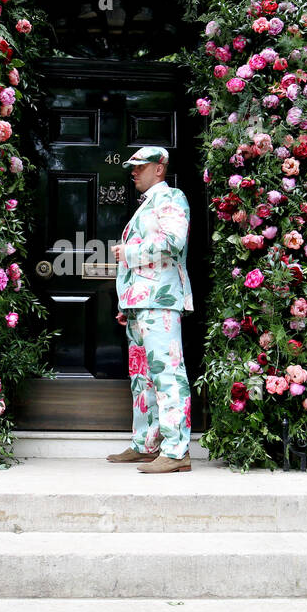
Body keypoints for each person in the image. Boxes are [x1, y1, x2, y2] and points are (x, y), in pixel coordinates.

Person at [106, 146, 194, 473]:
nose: (133, 172)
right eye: (132, 166)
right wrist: (126, 303)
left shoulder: (171, 197)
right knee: (142, 377)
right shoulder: (149, 204)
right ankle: (147, 444)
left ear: (160, 168)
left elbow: (175, 241)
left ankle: (176, 451)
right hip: (141, 303)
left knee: (167, 374)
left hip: (161, 301)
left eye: (140, 167)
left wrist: (129, 252)